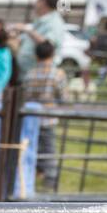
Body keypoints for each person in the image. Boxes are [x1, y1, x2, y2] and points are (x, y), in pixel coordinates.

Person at [24, 40, 67, 189]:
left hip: (31, 118)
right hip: (48, 118)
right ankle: (50, 179)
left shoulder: (30, 74)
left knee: (31, 147)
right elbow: (63, 98)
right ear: (52, 54)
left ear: (36, 56)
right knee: (49, 149)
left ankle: (31, 174)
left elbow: (26, 97)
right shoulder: (58, 74)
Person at [12, 0, 66, 85]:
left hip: (41, 78)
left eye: (37, 0)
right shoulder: (41, 21)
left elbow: (48, 45)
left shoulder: (54, 23)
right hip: (29, 76)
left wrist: (27, 30)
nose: (35, 3)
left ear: (43, 2)